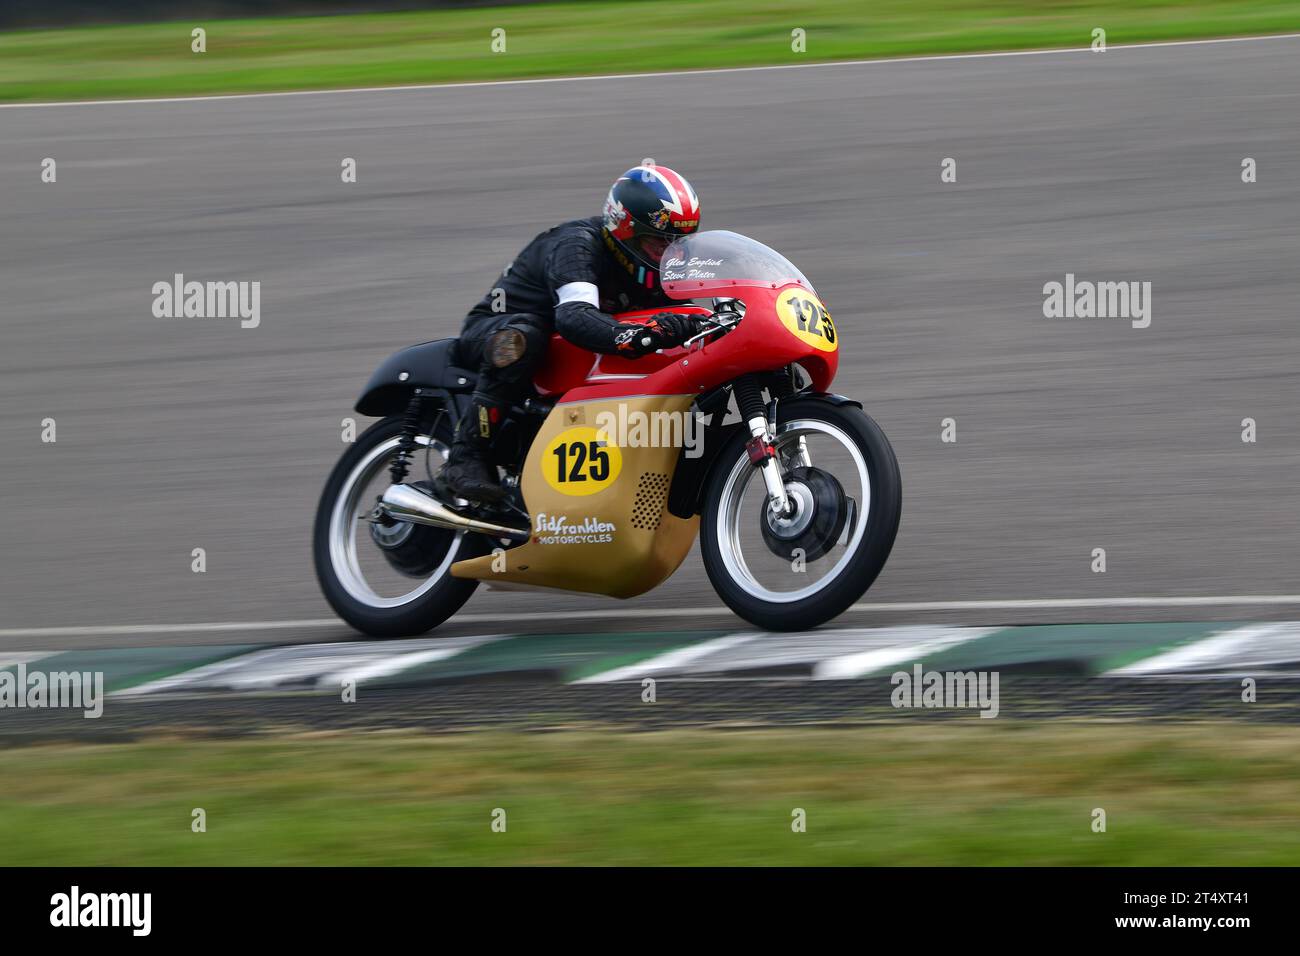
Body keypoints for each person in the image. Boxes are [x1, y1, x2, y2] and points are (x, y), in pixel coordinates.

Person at [436, 163, 705, 503]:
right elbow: (575, 317)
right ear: (625, 230)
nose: (671, 254)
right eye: (660, 243)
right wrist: (636, 334)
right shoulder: (577, 245)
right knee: (523, 336)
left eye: (679, 243)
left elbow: (687, 314)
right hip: (492, 333)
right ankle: (467, 457)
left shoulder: (657, 269)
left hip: (562, 354)